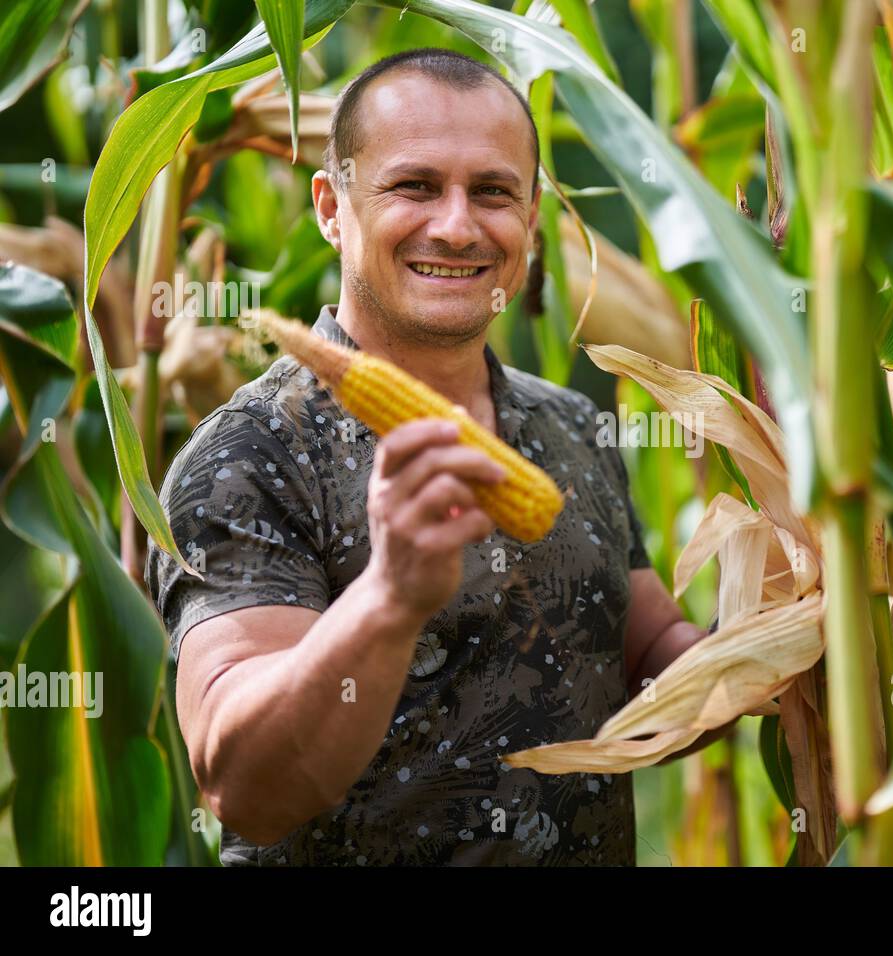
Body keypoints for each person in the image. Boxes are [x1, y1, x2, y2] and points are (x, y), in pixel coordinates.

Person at [147, 48, 723, 866]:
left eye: (492, 191)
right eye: (414, 186)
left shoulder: (569, 425)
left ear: (529, 217)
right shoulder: (247, 455)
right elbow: (243, 785)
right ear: (330, 208)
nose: (456, 226)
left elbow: (642, 658)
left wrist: (758, 655)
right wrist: (390, 596)